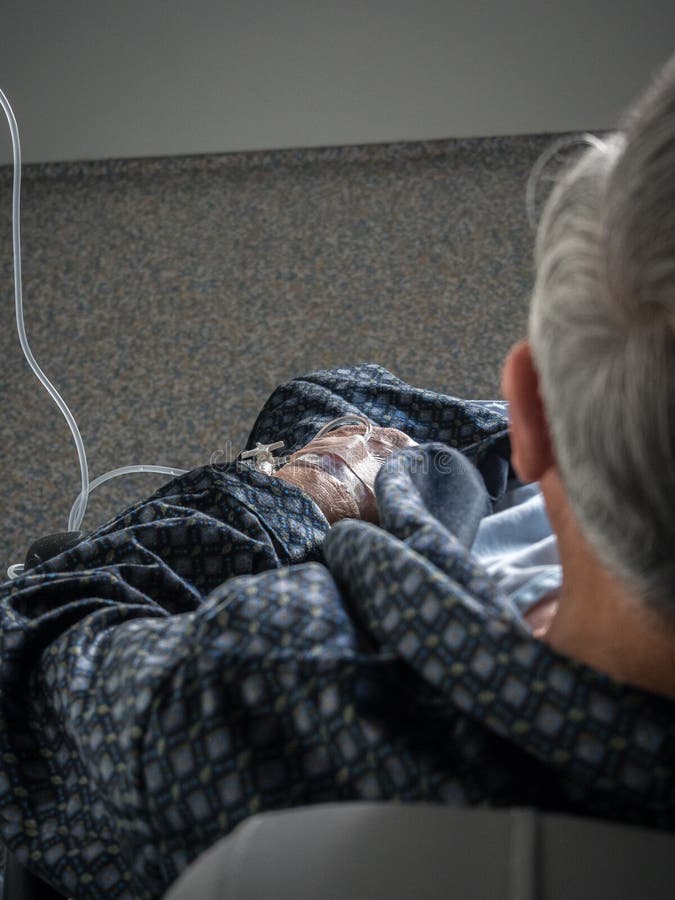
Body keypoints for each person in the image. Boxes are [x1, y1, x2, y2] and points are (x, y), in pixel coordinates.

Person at [0, 54, 674, 900]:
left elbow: (19, 673)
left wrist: (296, 494)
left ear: (534, 411)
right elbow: (340, 399)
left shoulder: (272, 683)